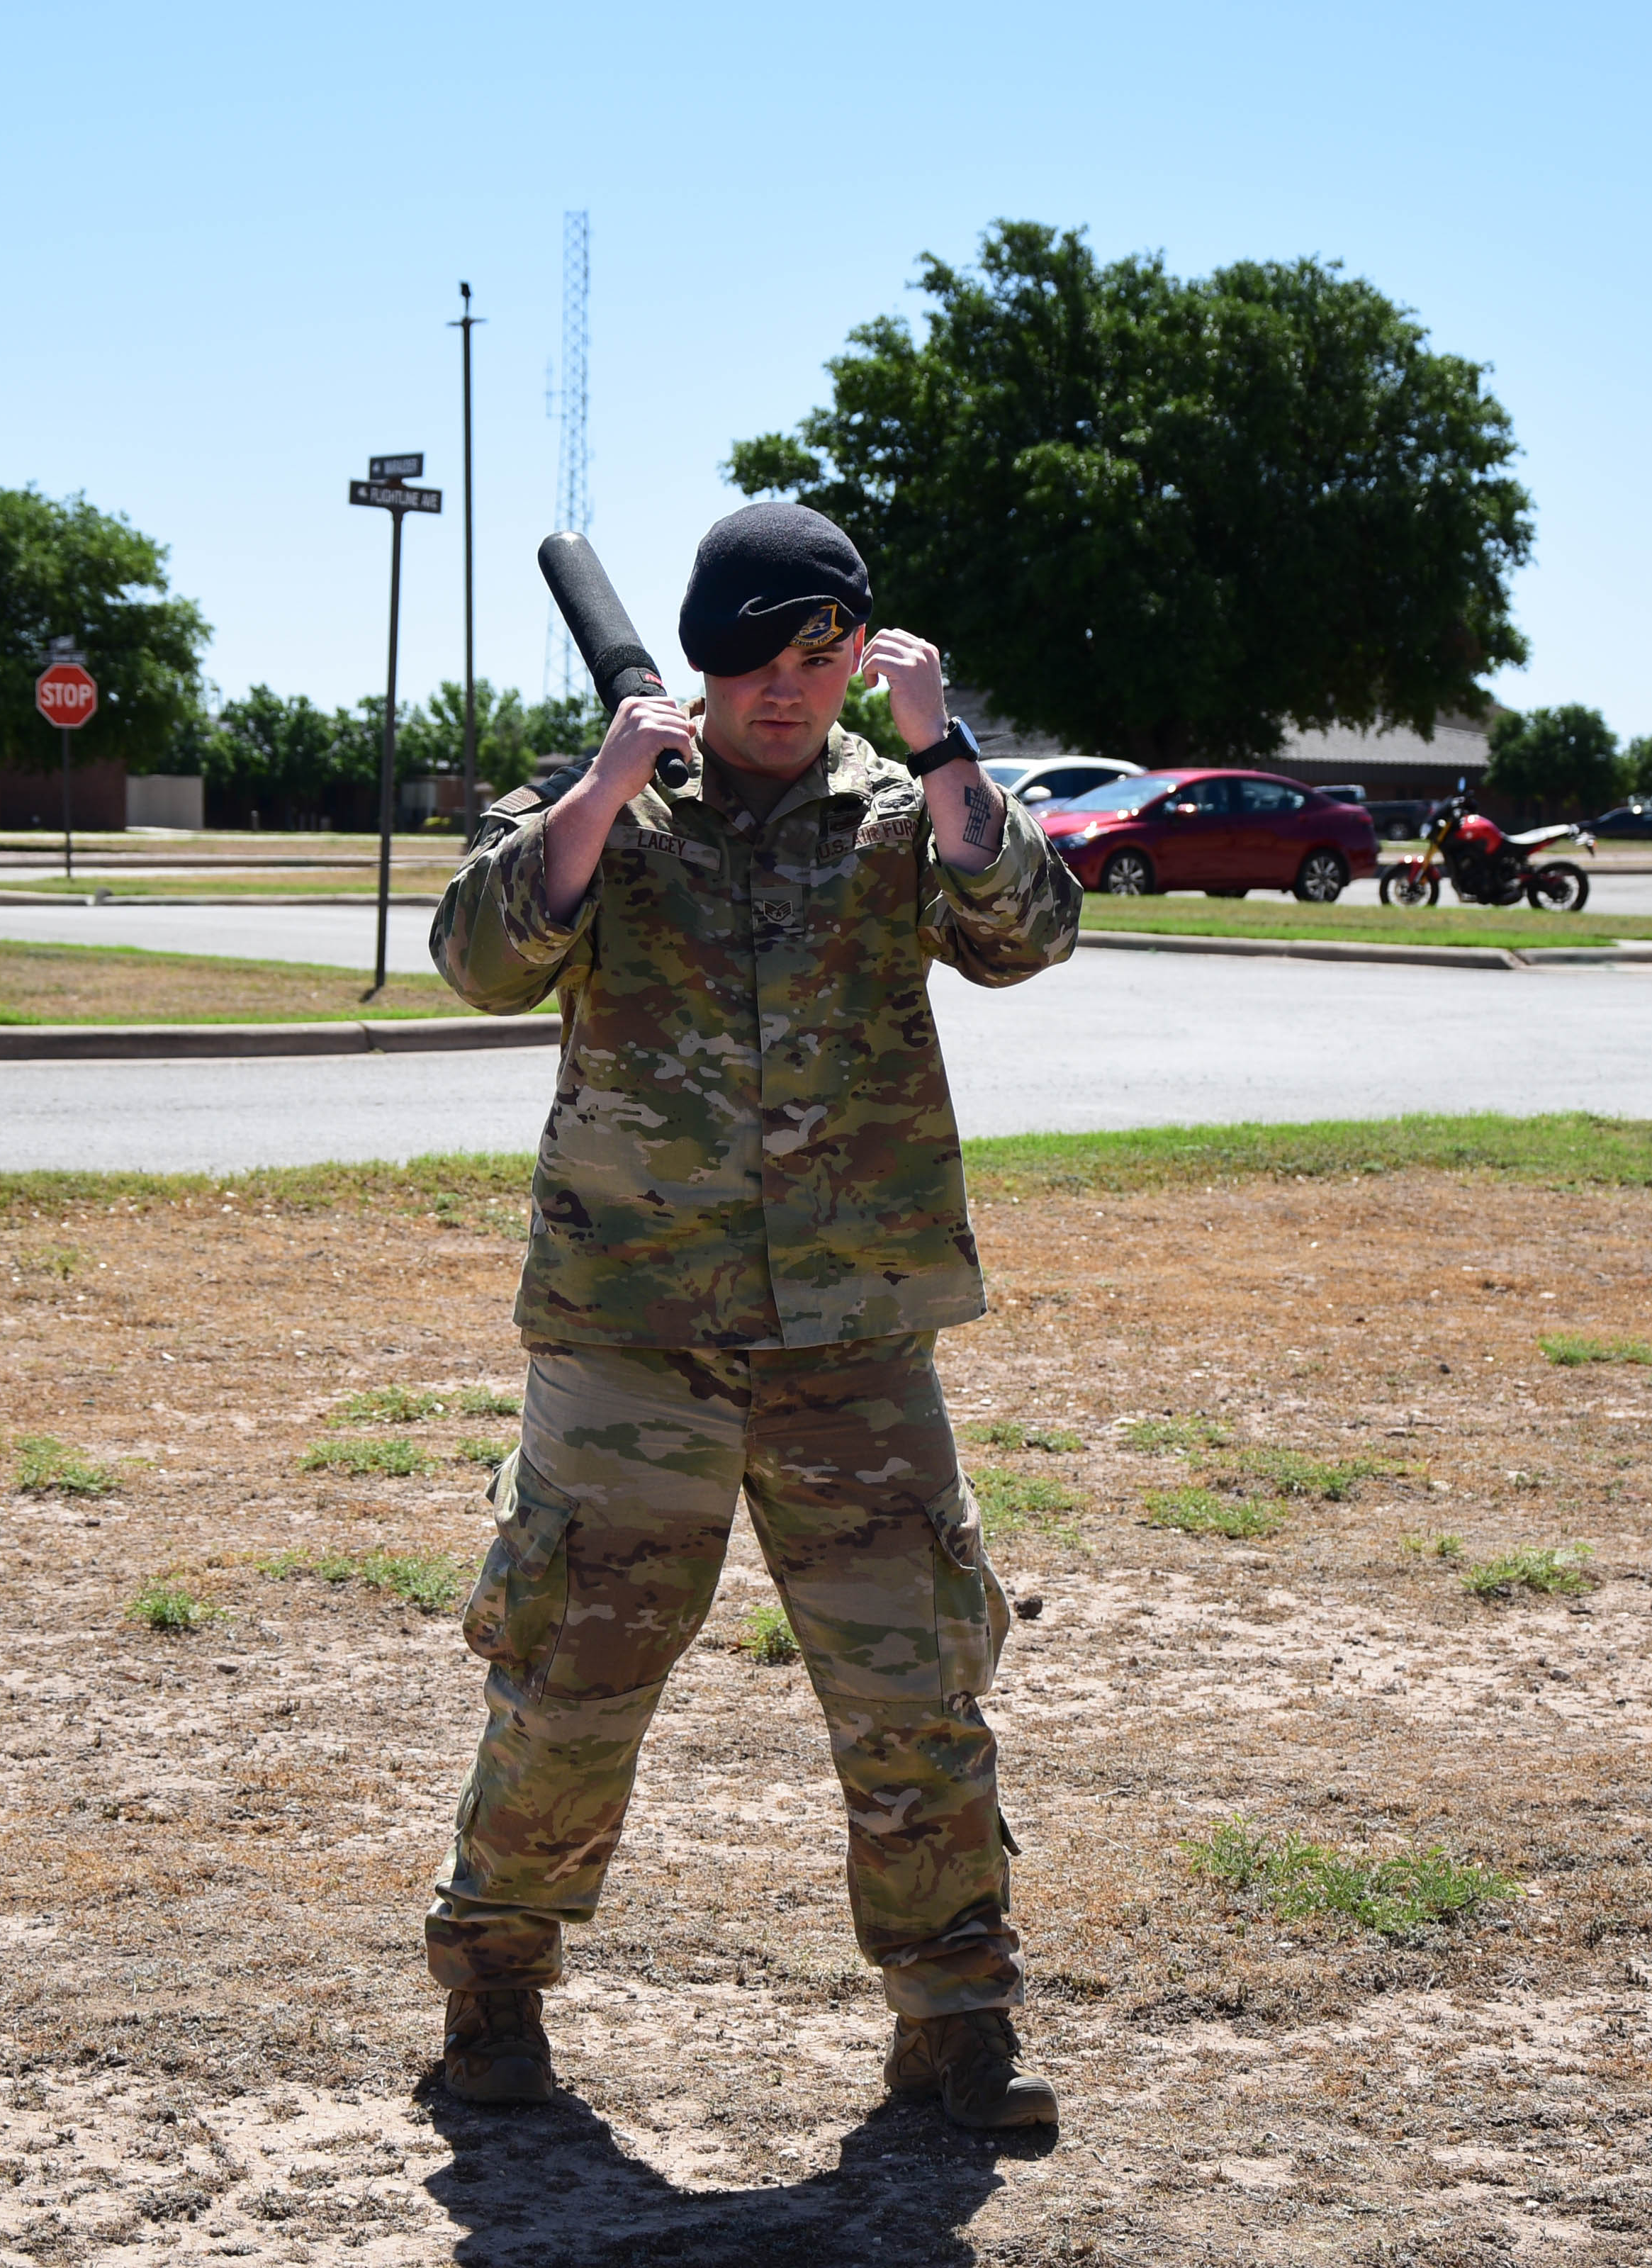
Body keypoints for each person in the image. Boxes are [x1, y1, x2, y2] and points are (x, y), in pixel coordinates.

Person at [422, 502, 1082, 2128]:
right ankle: (493, 1997)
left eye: (816, 654)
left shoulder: (898, 811)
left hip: (851, 1340)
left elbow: (1026, 938)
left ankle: (956, 2020)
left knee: (913, 1685)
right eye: (747, 659)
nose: (781, 689)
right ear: (701, 660)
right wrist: (595, 791)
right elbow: (475, 959)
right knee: (570, 1672)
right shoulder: (623, 806)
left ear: (859, 651)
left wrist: (948, 757)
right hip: (631, 1333)